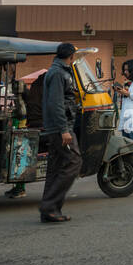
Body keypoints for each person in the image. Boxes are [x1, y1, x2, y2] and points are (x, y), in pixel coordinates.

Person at [39, 43, 81, 224]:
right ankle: (49, 206)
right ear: (71, 56)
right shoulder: (57, 73)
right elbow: (55, 103)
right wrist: (64, 130)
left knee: (55, 168)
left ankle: (49, 210)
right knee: (74, 162)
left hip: (59, 126)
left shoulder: (58, 70)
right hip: (60, 128)